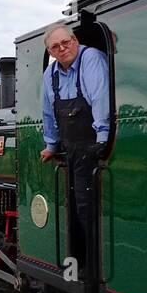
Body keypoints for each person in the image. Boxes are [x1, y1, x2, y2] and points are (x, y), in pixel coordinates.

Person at [40, 24, 109, 261]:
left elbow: (100, 97)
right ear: (51, 52)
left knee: (86, 207)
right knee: (73, 207)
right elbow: (48, 112)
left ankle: (94, 263)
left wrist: (102, 139)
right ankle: (80, 260)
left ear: (75, 40)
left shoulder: (91, 59)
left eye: (65, 43)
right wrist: (51, 146)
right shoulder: (50, 75)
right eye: (55, 47)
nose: (62, 49)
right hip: (71, 150)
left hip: (93, 147)